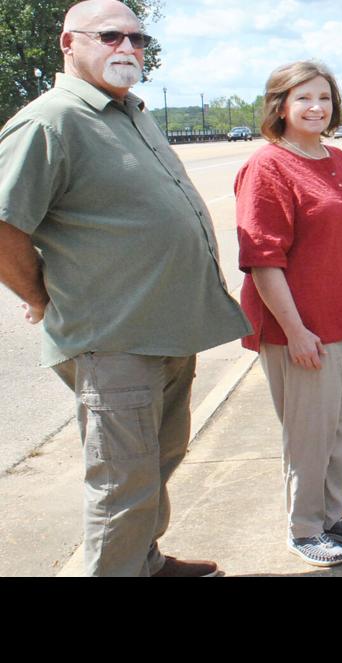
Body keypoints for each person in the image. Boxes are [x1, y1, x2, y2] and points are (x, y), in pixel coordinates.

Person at [0, 0, 248, 577]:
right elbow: (5, 224)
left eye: (139, 39)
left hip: (166, 329)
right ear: (68, 43)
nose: (128, 49)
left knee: (154, 463)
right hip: (112, 340)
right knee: (121, 484)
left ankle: (144, 562)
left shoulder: (129, 110)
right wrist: (39, 297)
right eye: (111, 36)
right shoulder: (51, 120)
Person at [236, 60, 342, 564]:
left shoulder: (339, 159)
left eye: (324, 97)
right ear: (280, 106)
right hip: (301, 329)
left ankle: (332, 515)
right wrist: (295, 330)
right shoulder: (268, 166)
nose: (316, 107)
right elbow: (262, 259)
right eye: (303, 98)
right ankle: (304, 528)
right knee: (309, 434)